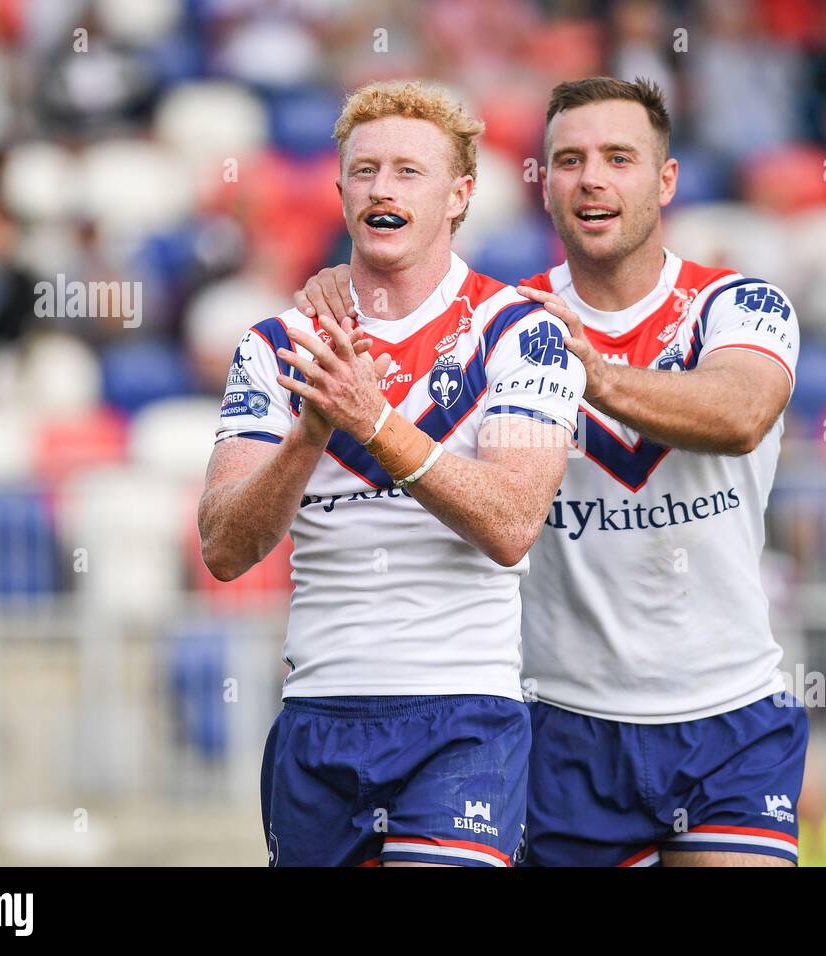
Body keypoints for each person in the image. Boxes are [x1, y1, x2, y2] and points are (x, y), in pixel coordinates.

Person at [295, 77, 805, 866]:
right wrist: (343, 287)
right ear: (543, 184)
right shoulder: (503, 321)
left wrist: (594, 374)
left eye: (618, 158)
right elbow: (397, 302)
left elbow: (740, 416)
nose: (591, 178)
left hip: (728, 715)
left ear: (665, 180)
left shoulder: (737, 306)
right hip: (561, 720)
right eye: (568, 160)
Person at [199, 80, 584, 867]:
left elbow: (511, 525)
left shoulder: (518, 334)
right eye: (365, 170)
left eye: (410, 171)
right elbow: (224, 548)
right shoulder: (276, 346)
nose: (383, 187)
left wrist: (373, 423)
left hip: (464, 715)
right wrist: (310, 435)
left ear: (459, 196)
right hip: (318, 712)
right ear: (340, 192)